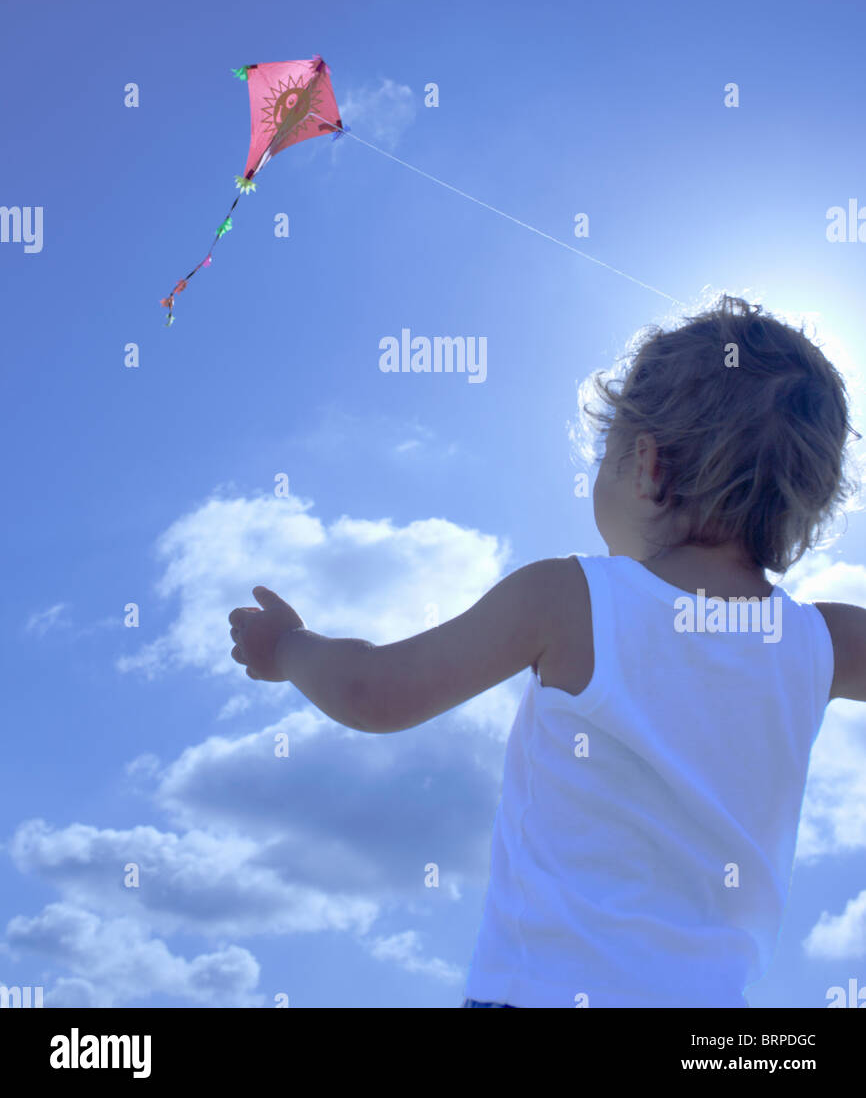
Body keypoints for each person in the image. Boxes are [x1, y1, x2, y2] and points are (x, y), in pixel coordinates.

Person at [229, 293, 864, 1008]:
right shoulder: (825, 641)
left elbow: (374, 692)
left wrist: (286, 647)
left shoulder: (568, 598)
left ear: (649, 467)